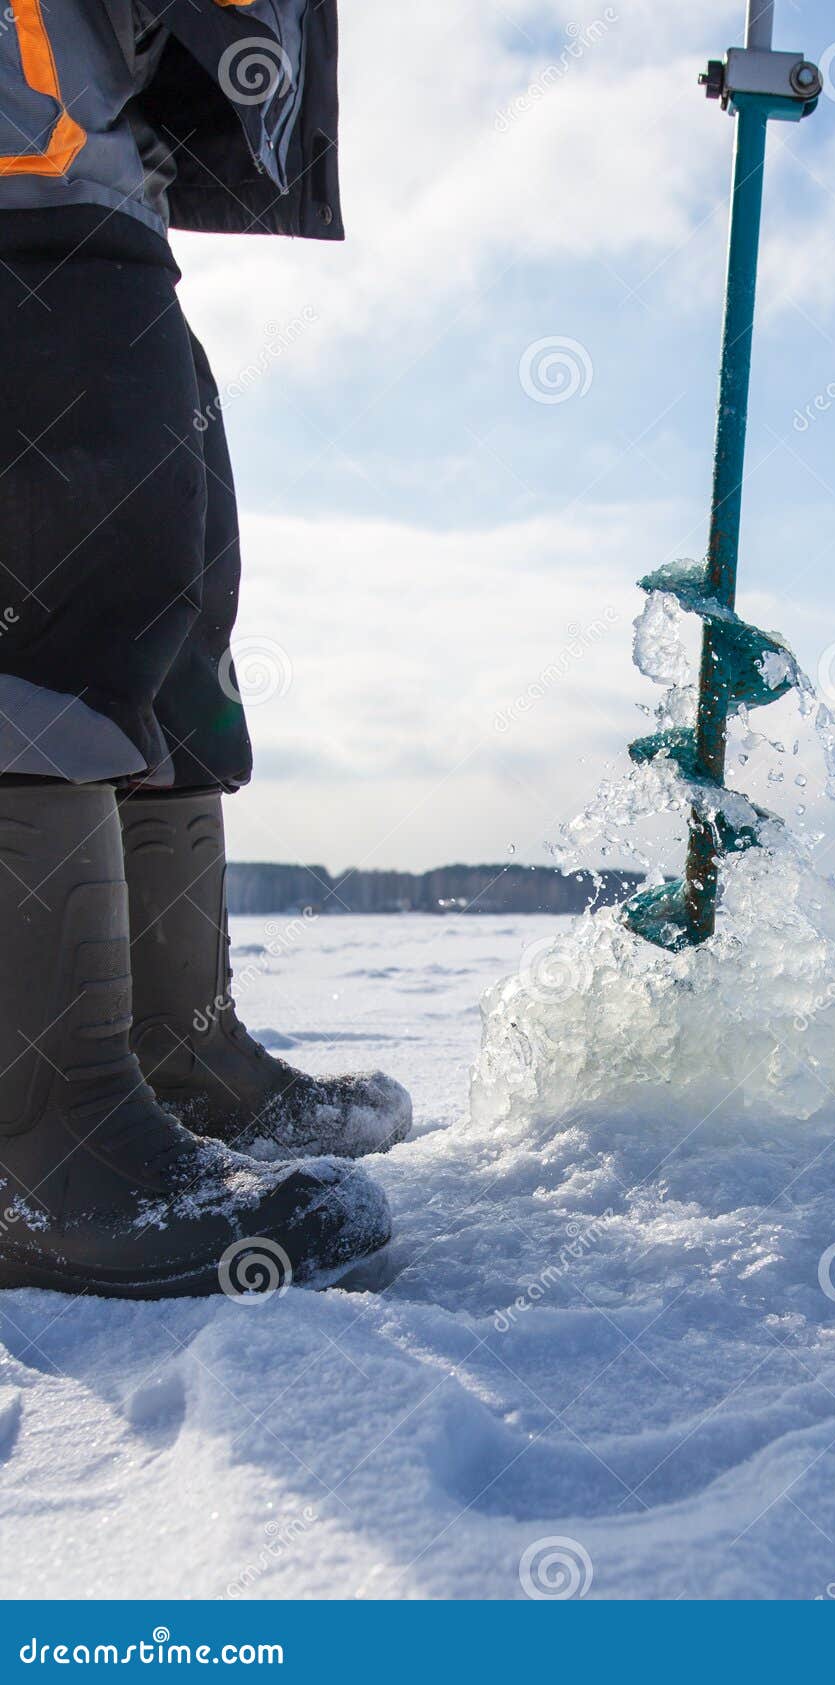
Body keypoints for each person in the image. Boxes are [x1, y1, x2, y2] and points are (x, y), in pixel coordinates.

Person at [0, 1, 406, 1296]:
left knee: (168, 547)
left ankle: (173, 1051)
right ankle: (41, 1127)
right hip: (33, 127)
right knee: (54, 537)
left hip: (101, 146)